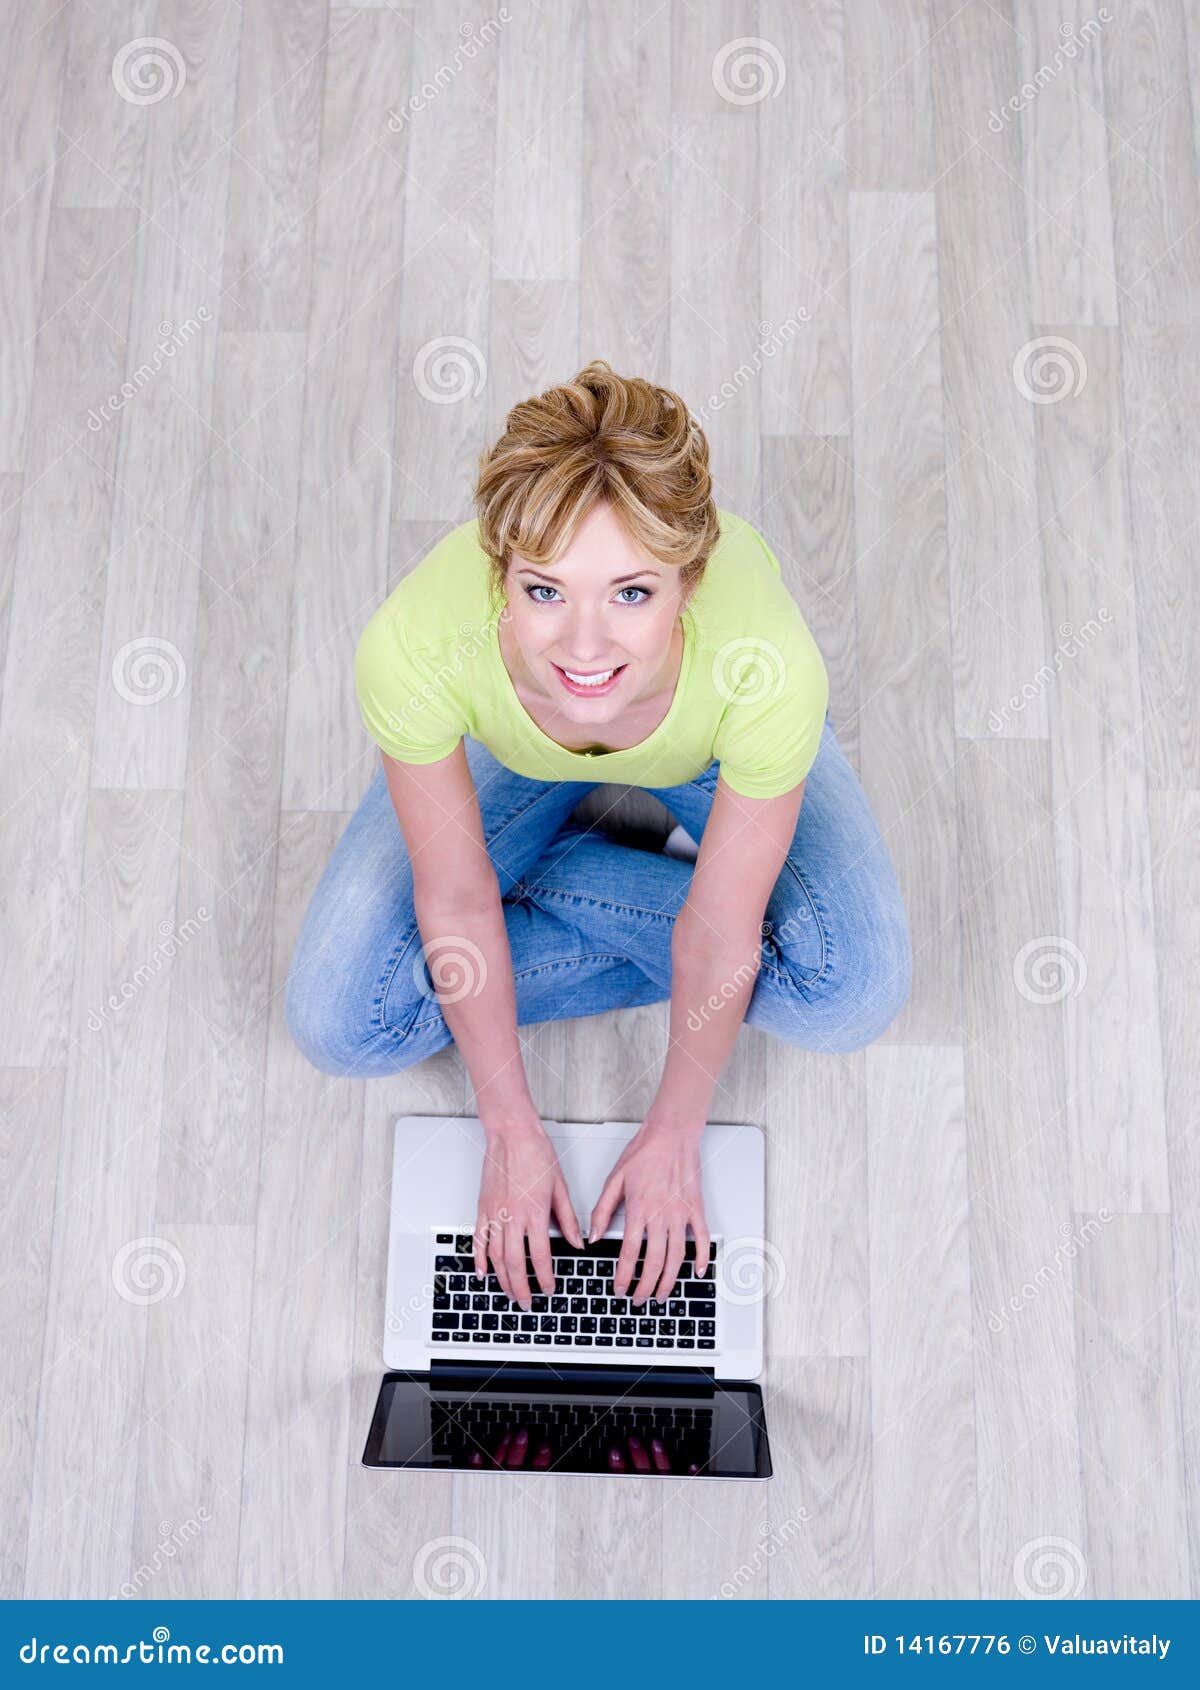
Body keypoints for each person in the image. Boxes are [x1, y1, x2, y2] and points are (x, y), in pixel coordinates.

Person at [285, 360, 911, 1318]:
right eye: (543, 592)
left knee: (852, 993)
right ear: (501, 571)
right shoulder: (417, 643)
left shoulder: (765, 664)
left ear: (689, 581)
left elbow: (719, 923)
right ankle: (569, 853)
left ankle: (550, 872)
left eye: (630, 594)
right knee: (340, 1021)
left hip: (708, 746)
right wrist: (508, 1127)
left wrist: (674, 1131)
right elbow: (452, 900)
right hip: (513, 750)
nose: (584, 649)